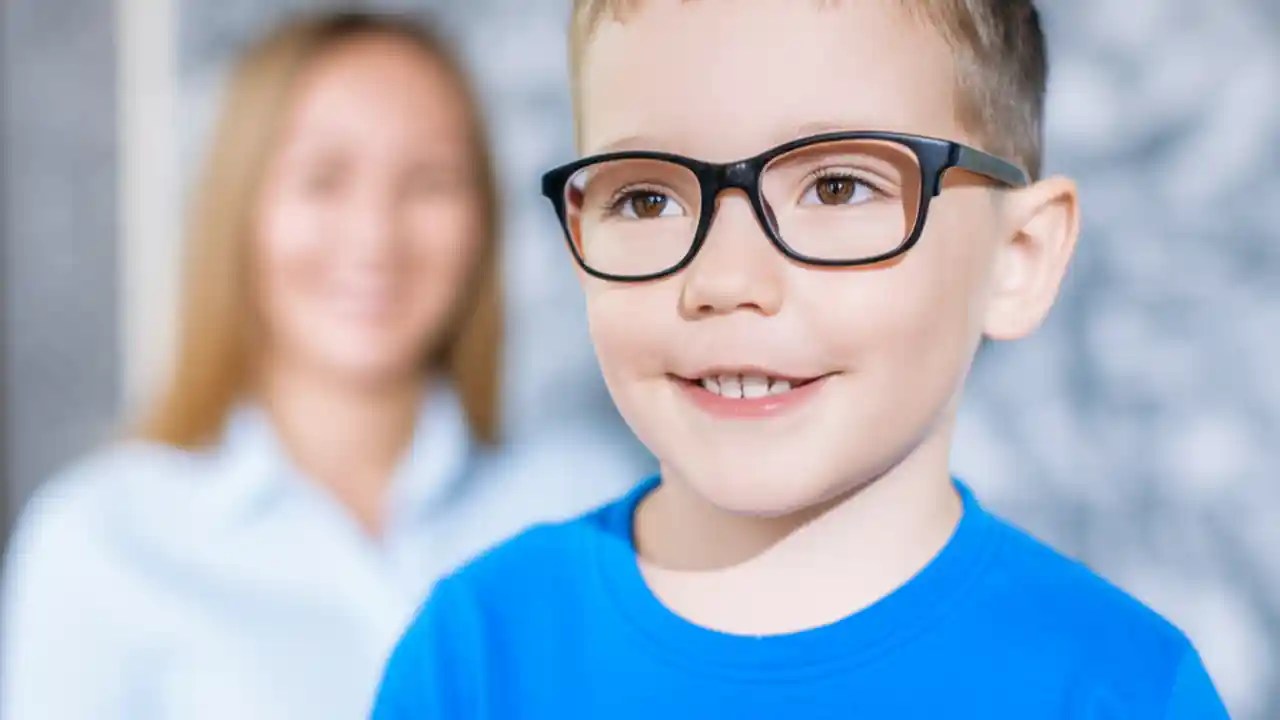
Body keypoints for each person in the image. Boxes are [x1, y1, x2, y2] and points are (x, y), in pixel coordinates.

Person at [371, 0, 1233, 717]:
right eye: (646, 196)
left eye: (837, 187)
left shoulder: (1124, 688)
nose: (727, 278)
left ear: (1018, 257)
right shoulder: (480, 653)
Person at [1, 11, 640, 720]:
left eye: (429, 180)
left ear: (482, 220)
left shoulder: (587, 505)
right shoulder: (102, 540)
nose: (375, 236)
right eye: (323, 179)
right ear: (241, 211)